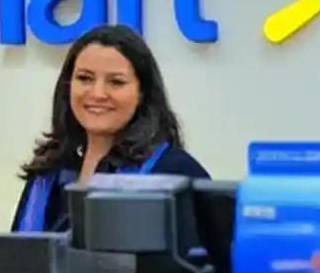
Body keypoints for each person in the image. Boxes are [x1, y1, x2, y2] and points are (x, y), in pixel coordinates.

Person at [11, 24, 210, 233]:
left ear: (142, 93)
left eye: (116, 82)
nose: (97, 93)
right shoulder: (47, 174)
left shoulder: (175, 172)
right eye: (85, 78)